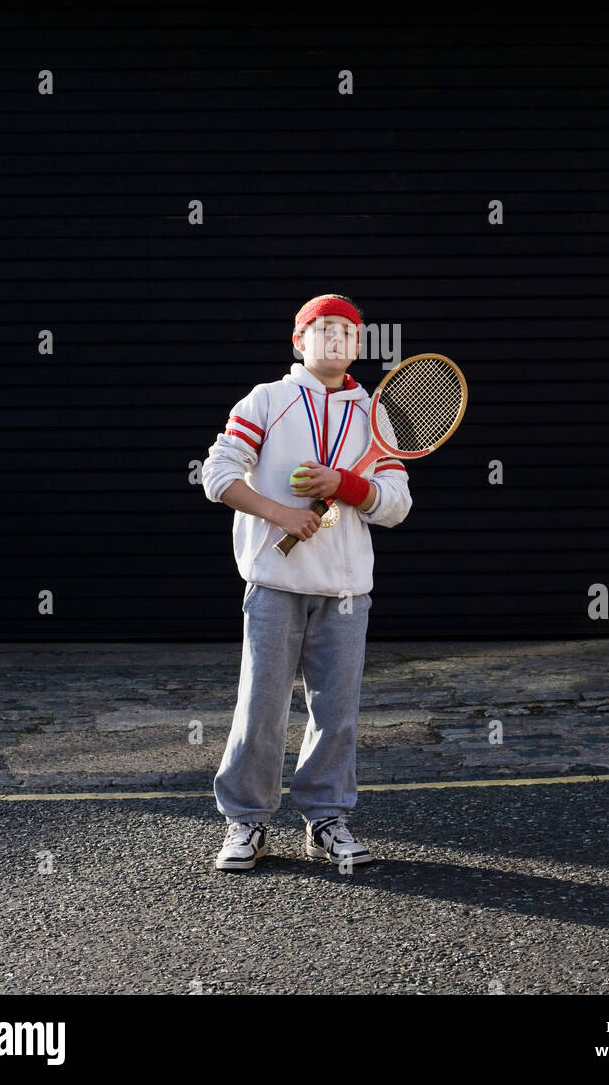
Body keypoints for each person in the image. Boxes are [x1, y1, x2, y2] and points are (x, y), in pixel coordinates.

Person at [201, 293, 412, 870]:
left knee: (336, 712)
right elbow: (217, 475)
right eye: (324, 330)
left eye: (348, 331)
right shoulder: (266, 400)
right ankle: (246, 824)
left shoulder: (375, 414)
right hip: (274, 581)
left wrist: (343, 483)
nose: (337, 339)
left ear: (359, 345)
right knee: (261, 707)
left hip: (345, 590)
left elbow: (396, 504)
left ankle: (327, 817)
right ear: (299, 341)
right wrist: (282, 514)